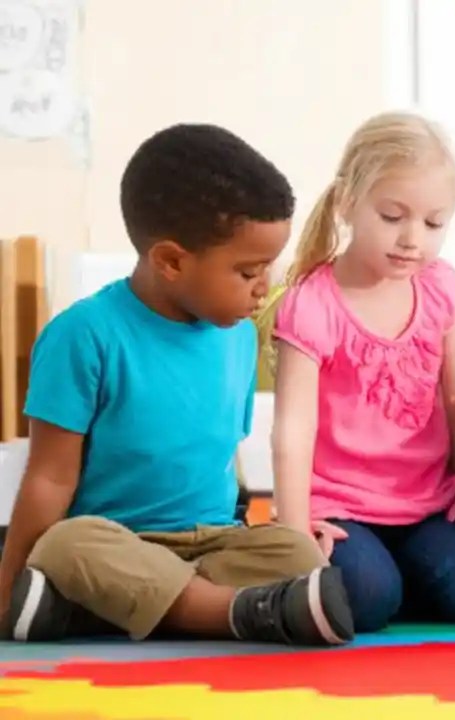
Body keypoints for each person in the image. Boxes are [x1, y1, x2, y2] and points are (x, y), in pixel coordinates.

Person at [0, 124, 353, 645]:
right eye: (248, 271)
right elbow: (49, 479)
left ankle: (98, 610)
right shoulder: (84, 335)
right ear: (170, 261)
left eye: (268, 268)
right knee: (64, 545)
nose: (265, 287)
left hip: (213, 543)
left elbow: (222, 457)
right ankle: (237, 613)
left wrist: (277, 532)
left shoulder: (235, 334)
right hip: (115, 540)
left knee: (298, 555)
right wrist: (7, 588)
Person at [271, 111, 455, 633]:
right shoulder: (312, 303)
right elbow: (292, 431)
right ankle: (389, 576)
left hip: (425, 506)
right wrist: (293, 534)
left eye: (432, 223)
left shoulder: (443, 290)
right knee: (368, 598)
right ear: (347, 202)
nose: (412, 240)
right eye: (392, 216)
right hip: (340, 509)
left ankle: (406, 573)